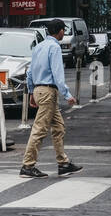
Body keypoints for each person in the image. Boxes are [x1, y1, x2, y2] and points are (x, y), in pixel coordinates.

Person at [20, 18, 83, 178]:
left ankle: (63, 164)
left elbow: (29, 72)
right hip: (48, 91)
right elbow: (57, 73)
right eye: (63, 30)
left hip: (40, 90)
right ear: (60, 31)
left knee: (59, 127)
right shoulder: (54, 47)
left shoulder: (39, 47)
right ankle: (27, 166)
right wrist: (67, 94)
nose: (64, 32)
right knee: (40, 129)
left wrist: (32, 92)